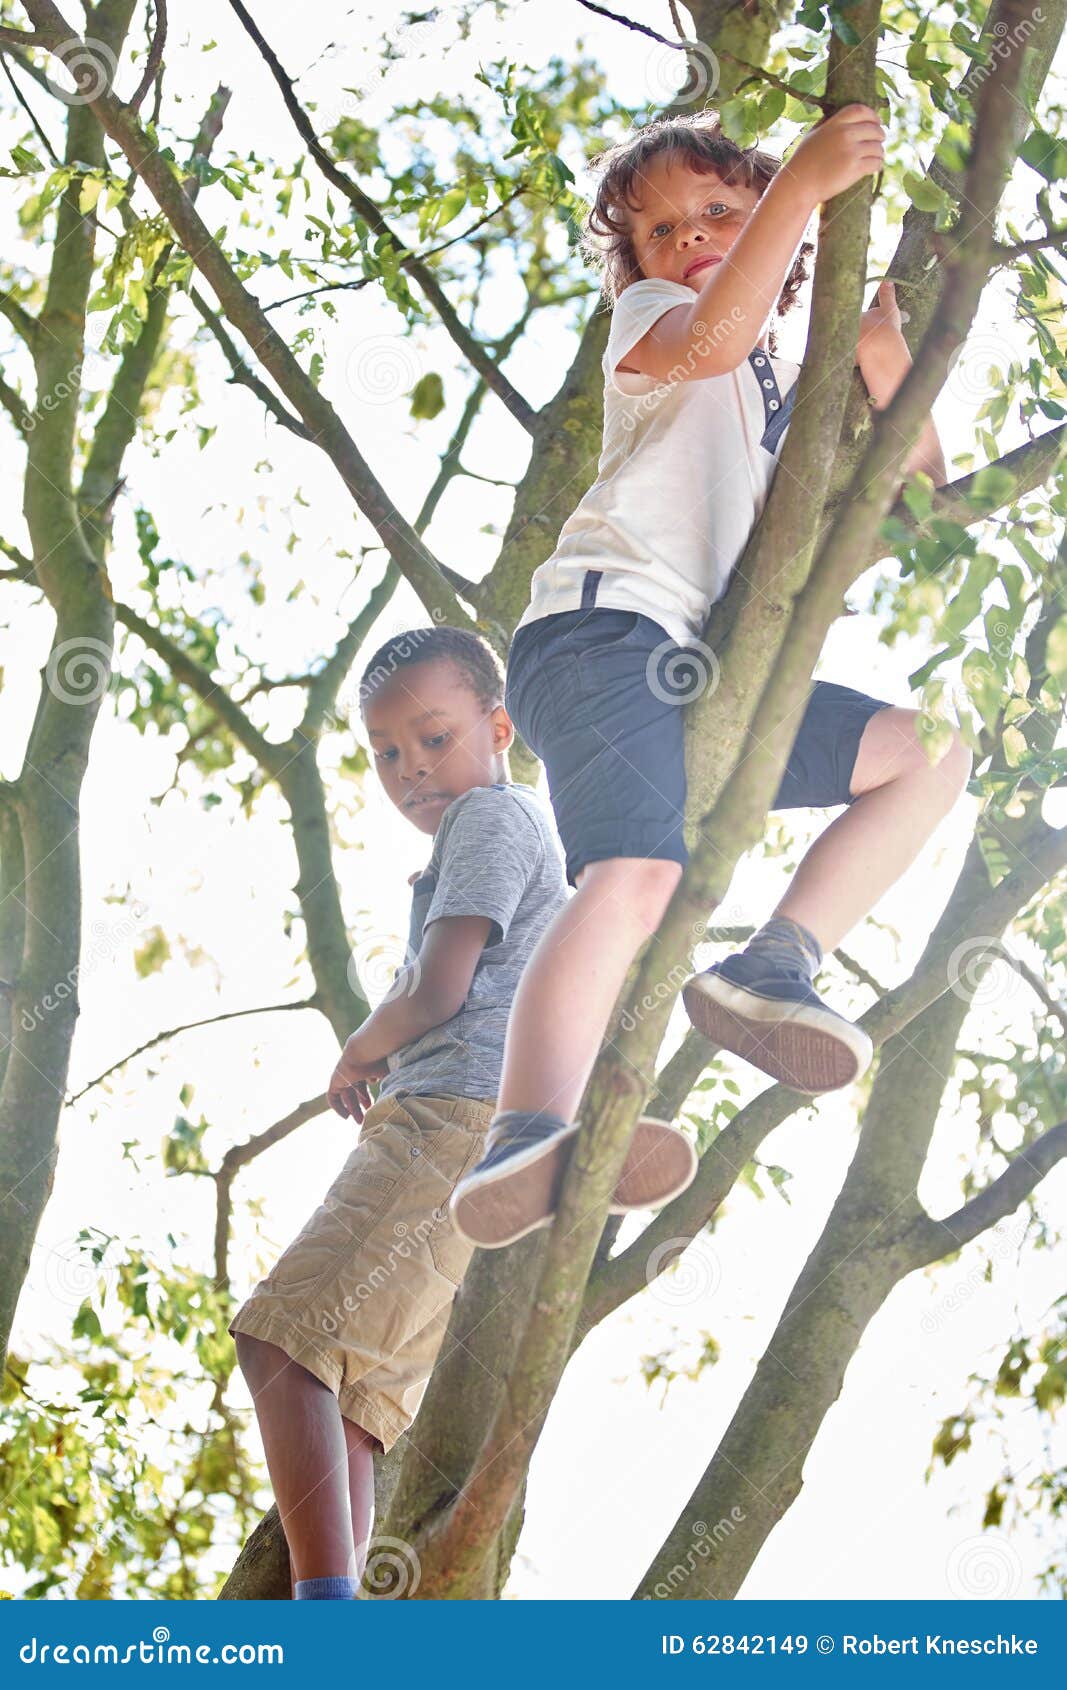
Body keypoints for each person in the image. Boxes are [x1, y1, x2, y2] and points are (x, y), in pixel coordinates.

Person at [450, 105, 971, 1250]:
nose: (687, 237)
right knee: (630, 877)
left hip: (695, 677)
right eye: (659, 230)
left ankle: (775, 961)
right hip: (598, 637)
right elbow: (709, 342)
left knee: (931, 750)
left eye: (717, 212)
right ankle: (525, 1124)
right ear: (631, 267)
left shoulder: (782, 387)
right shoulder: (660, 324)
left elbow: (928, 507)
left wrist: (882, 354)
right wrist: (801, 193)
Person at [228, 627, 695, 1597]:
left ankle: (324, 1611)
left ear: (497, 725)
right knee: (350, 1401)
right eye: (388, 751)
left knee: (277, 1340)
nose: (411, 770)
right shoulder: (515, 830)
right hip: (472, 1135)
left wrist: (363, 1045)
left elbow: (440, 987)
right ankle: (334, 1594)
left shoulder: (487, 819)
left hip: (447, 1115)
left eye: (432, 738)